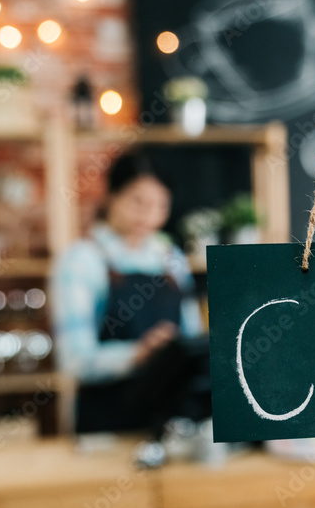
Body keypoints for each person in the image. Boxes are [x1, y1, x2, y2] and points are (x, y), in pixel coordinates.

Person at [51, 152, 205, 433]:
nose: (149, 216)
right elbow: (74, 360)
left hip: (171, 423)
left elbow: (191, 337)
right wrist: (139, 353)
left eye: (160, 206)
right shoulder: (82, 260)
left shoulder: (171, 258)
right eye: (138, 203)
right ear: (112, 196)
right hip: (107, 424)